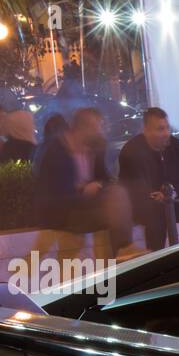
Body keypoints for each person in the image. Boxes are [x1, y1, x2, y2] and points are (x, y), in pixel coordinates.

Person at [34, 106, 135, 256]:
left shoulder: (95, 147)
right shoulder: (55, 152)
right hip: (63, 215)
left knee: (117, 196)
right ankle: (123, 250)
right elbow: (54, 198)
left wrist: (95, 186)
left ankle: (120, 254)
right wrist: (83, 192)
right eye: (99, 126)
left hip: (83, 207)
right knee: (115, 201)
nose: (102, 131)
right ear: (84, 128)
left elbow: (104, 180)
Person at [117, 107, 179, 251]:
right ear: (146, 130)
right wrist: (156, 196)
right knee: (156, 216)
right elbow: (132, 188)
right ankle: (157, 263)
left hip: (173, 200)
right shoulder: (132, 151)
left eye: (167, 128)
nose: (166, 133)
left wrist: (174, 193)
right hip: (145, 206)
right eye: (160, 129)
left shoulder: (177, 146)